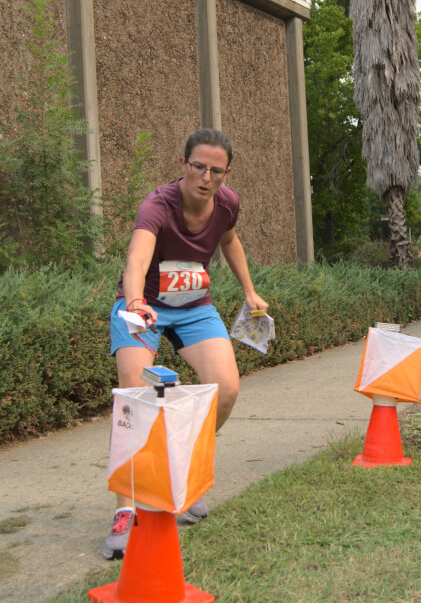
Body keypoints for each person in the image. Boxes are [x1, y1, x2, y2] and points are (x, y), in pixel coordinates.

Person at [102, 128, 268, 560]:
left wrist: (249, 291)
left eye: (216, 170)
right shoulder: (158, 204)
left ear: (226, 173)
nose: (206, 177)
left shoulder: (227, 203)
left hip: (195, 306)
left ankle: (181, 473)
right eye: (199, 167)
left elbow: (229, 241)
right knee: (135, 399)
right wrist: (136, 300)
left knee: (226, 389)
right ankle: (126, 510)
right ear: (183, 165)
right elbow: (138, 256)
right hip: (145, 306)